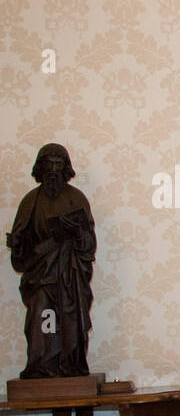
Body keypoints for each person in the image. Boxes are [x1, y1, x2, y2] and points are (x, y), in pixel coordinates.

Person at [7, 143, 96, 378]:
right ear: (40, 167)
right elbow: (22, 247)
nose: (53, 170)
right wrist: (17, 245)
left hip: (69, 277)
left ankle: (71, 365)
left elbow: (89, 245)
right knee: (41, 317)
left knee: (70, 322)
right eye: (49, 163)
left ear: (66, 168)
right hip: (41, 276)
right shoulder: (30, 202)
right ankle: (40, 366)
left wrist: (75, 233)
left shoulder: (76, 199)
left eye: (58, 164)